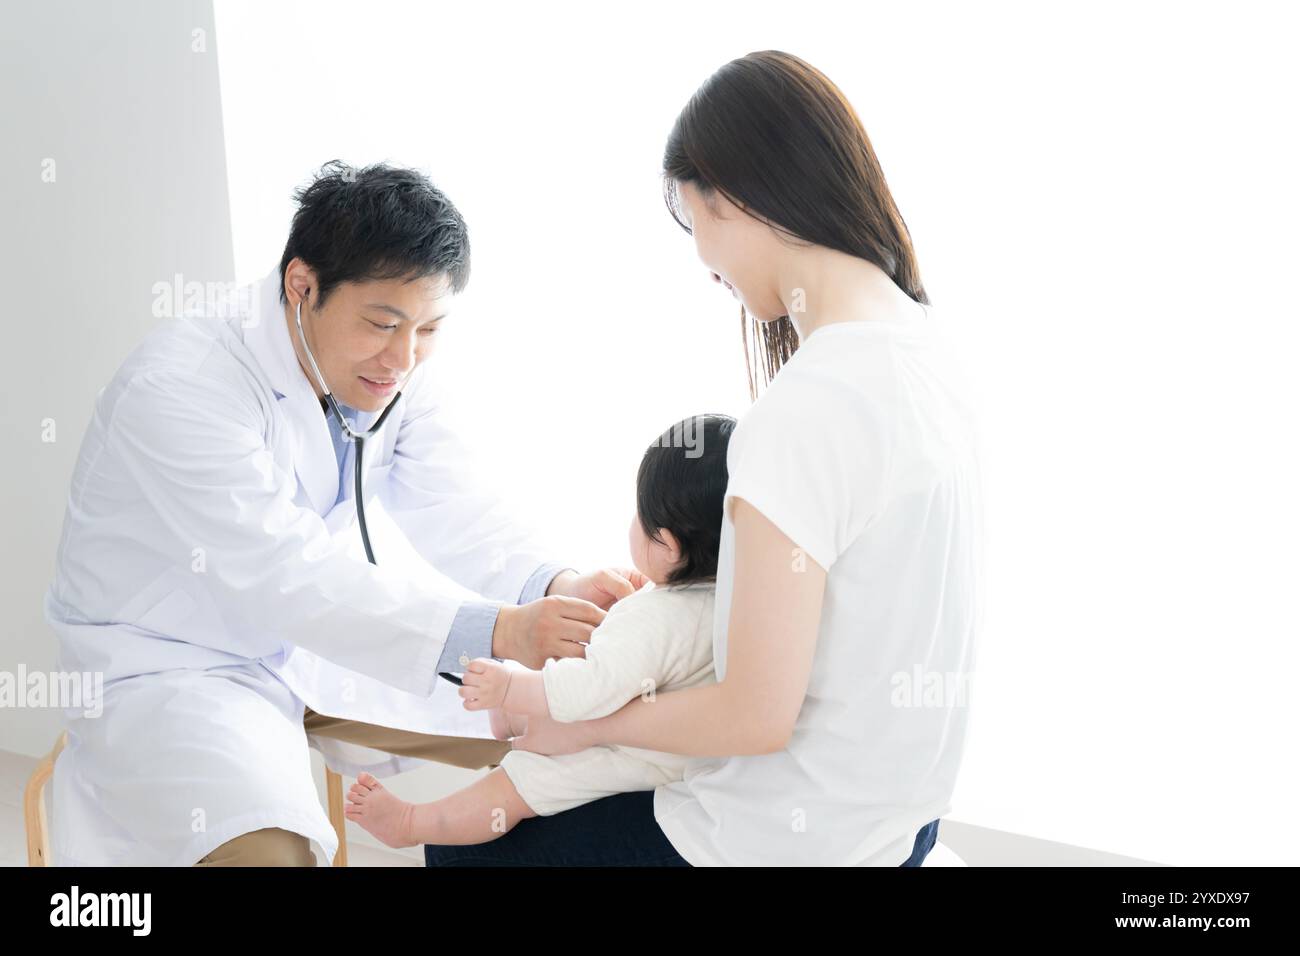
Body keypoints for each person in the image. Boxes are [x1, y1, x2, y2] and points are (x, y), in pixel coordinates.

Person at [426, 50, 984, 867]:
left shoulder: (805, 407)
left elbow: (755, 717)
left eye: (697, 223)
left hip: (790, 840)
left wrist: (583, 718)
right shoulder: (925, 347)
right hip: (901, 822)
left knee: (463, 853)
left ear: (742, 200)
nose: (703, 260)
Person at [45, 161, 644, 866]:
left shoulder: (391, 365)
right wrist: (504, 630)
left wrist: (551, 586)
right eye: (384, 324)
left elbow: (459, 503)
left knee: (582, 732)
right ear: (302, 285)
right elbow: (282, 571)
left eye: (429, 329)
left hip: (315, 643)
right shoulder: (180, 386)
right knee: (268, 855)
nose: (404, 358)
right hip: (173, 666)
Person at [343, 414, 733, 850]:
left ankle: (414, 822)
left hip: (632, 760)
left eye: (639, 515)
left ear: (667, 544)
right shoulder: (725, 601)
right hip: (674, 752)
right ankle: (511, 718)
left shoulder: (658, 616)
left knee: (516, 789)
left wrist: (511, 687)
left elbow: (590, 689)